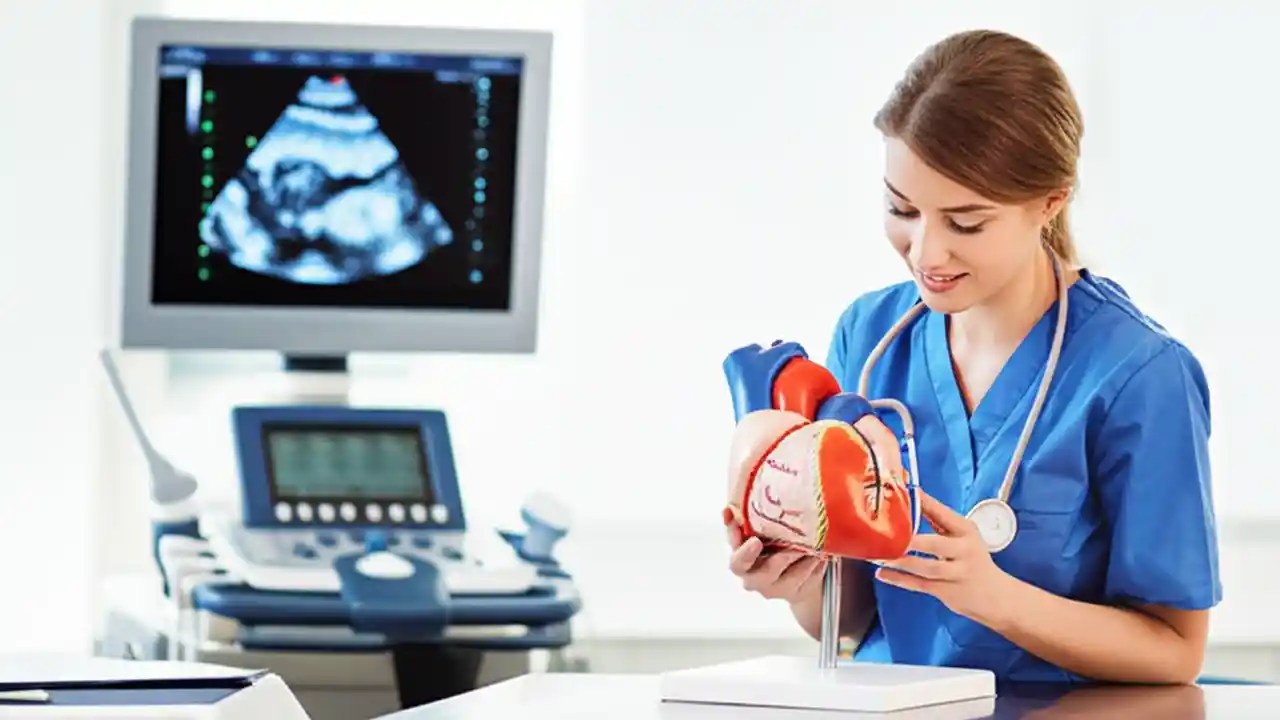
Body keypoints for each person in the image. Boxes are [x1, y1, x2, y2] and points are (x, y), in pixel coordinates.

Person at [724, 28, 1221, 684]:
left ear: (1051, 200)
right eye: (902, 209)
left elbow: (1175, 651)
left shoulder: (1138, 374)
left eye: (965, 222)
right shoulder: (869, 340)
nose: (926, 253)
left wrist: (995, 598)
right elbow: (850, 619)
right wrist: (796, 582)